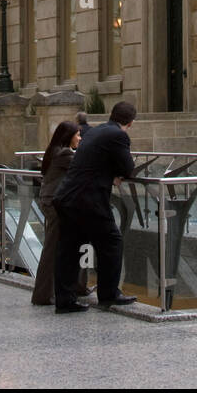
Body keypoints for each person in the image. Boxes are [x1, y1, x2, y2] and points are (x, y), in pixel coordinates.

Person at [53, 100, 138, 314]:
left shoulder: (94, 131)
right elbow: (129, 168)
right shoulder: (119, 136)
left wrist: (110, 173)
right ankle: (109, 294)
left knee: (68, 249)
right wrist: (117, 174)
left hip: (67, 196)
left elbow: (96, 161)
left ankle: (64, 300)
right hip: (88, 200)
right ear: (131, 123)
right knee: (111, 241)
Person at [32, 121, 81, 306]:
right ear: (68, 136)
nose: (80, 138)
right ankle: (43, 295)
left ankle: (61, 289)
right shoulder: (65, 153)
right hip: (55, 205)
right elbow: (84, 167)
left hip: (50, 202)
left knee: (56, 248)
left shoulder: (53, 151)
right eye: (77, 134)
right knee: (52, 250)